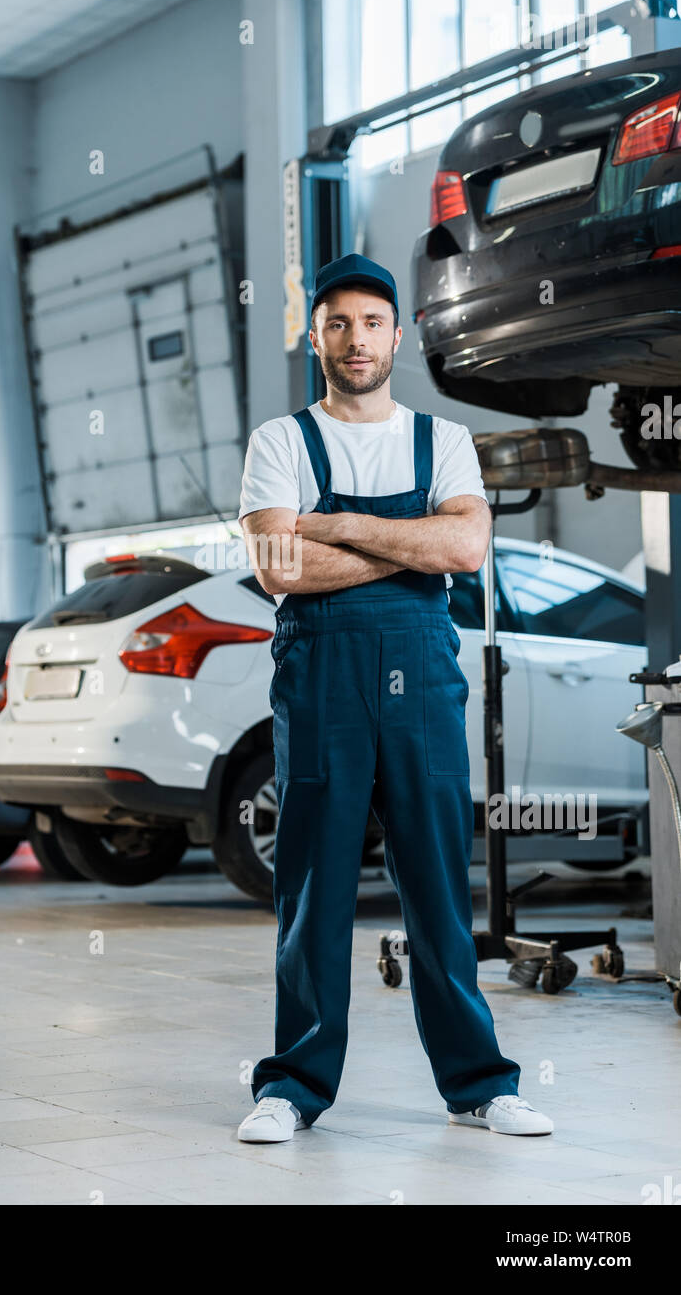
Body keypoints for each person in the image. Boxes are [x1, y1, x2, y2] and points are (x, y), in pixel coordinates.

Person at [236, 253, 553, 1142]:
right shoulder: (280, 441)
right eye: (337, 322)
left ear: (396, 334)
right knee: (312, 890)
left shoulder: (439, 438)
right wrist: (411, 541)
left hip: (420, 682)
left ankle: (482, 1084)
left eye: (371, 323)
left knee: (437, 891)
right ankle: (291, 1087)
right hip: (322, 683)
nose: (355, 338)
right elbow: (278, 567)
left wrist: (333, 525)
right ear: (316, 336)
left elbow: (464, 553)